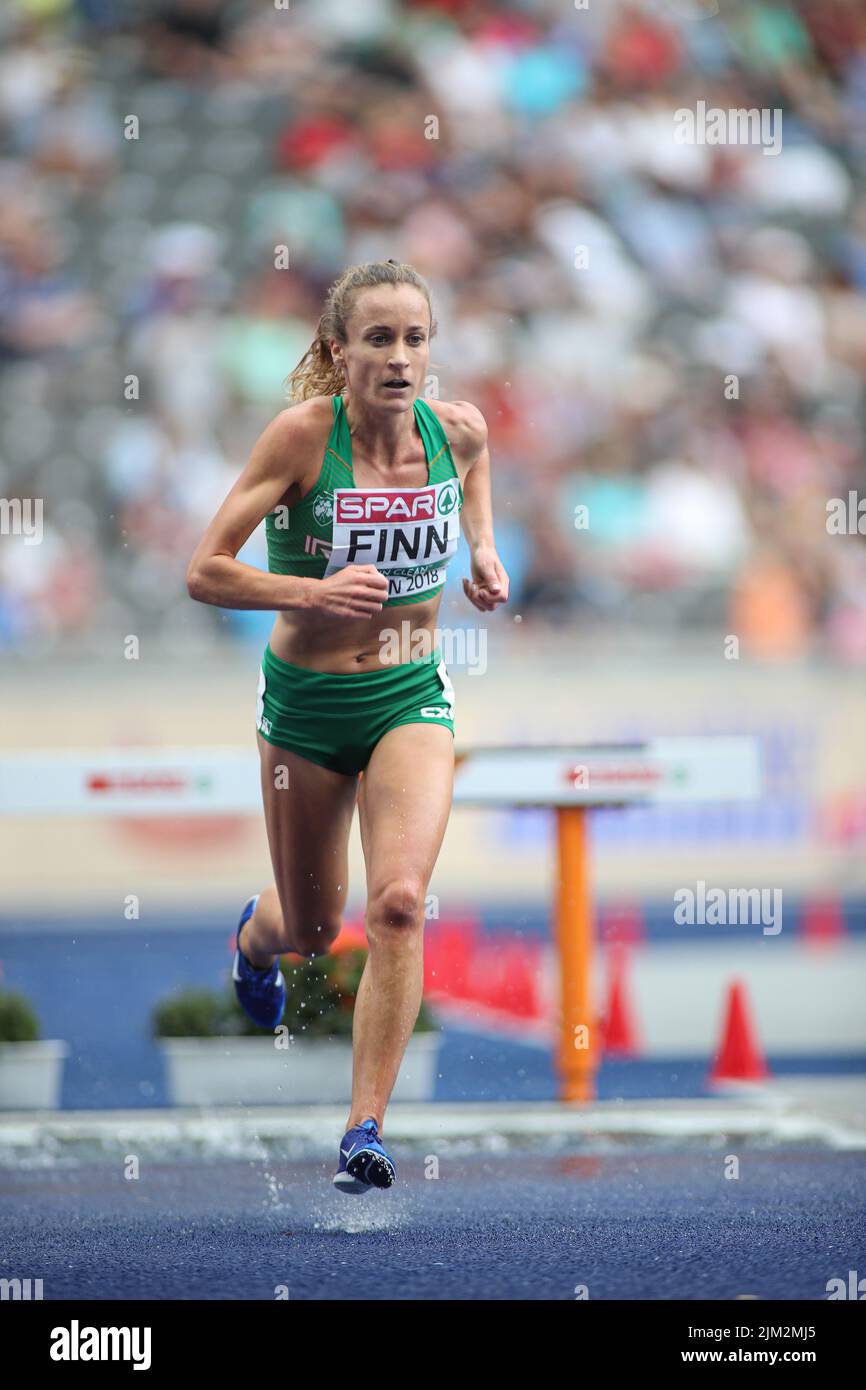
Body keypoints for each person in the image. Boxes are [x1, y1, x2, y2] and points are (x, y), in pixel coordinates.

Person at [186, 259, 509, 1193]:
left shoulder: (459, 433)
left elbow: (478, 480)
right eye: (379, 339)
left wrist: (482, 554)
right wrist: (310, 590)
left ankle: (364, 1127)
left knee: (399, 903)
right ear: (340, 349)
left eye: (415, 339)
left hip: (411, 695)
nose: (400, 358)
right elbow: (206, 570)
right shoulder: (299, 439)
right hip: (307, 707)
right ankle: (255, 938)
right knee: (317, 929)